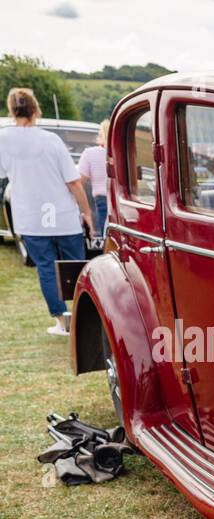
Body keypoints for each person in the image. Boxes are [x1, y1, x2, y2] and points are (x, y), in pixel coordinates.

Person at [0, 88, 95, 336]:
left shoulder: (3, 139)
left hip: (30, 218)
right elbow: (73, 182)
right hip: (63, 216)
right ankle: (85, 320)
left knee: (46, 268)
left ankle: (62, 323)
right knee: (76, 267)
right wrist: (86, 212)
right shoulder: (50, 140)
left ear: (12, 110)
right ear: (35, 110)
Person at [79, 120, 109, 236]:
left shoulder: (90, 153)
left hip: (102, 200)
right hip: (122, 202)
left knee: (107, 238)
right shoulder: (122, 152)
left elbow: (80, 181)